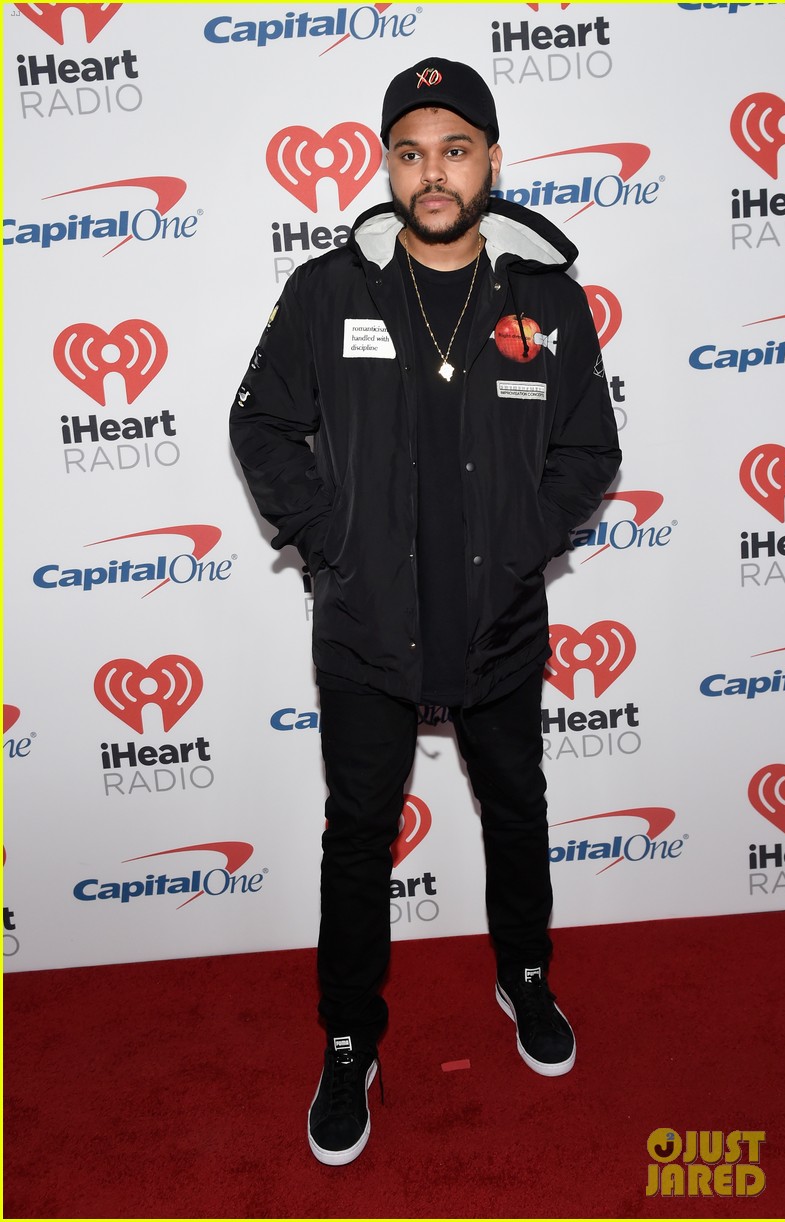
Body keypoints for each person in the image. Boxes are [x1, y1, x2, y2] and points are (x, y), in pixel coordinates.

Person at [230, 58, 621, 1166]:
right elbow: (260, 424)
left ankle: (526, 975)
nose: (432, 172)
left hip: (497, 621)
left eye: (455, 149)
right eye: (411, 151)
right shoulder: (327, 292)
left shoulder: (544, 296)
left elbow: (591, 448)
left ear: (492, 159)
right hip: (366, 626)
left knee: (517, 806)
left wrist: (525, 543)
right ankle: (350, 1037)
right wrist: (333, 540)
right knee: (358, 837)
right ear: (388, 166)